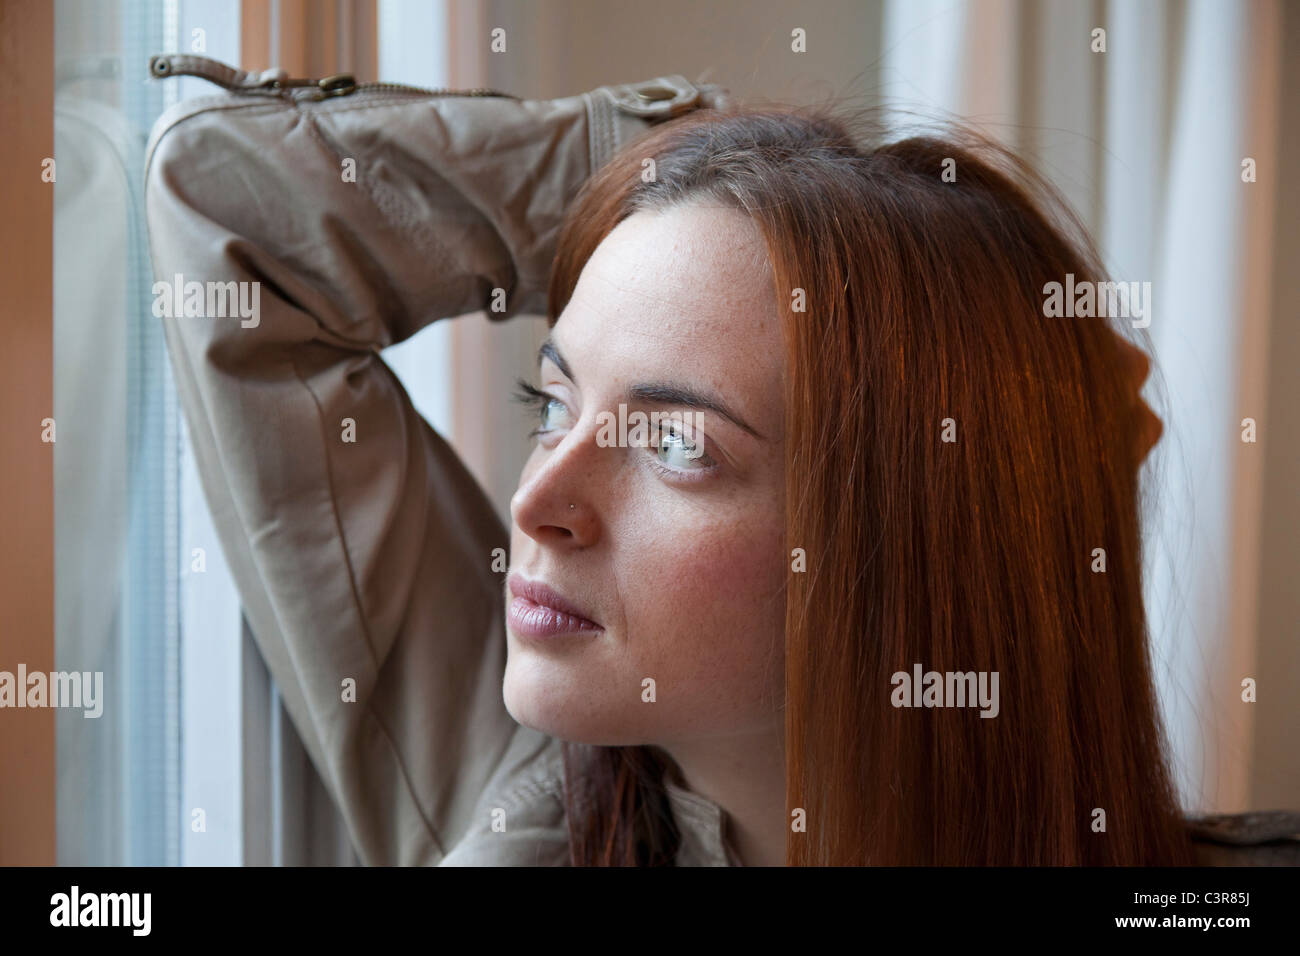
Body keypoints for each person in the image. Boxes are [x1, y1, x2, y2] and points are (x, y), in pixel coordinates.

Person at [145, 64, 1191, 866]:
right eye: (550, 405)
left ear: (924, 533)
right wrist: (715, 172)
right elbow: (233, 212)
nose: (536, 501)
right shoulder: (528, 796)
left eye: (678, 443)